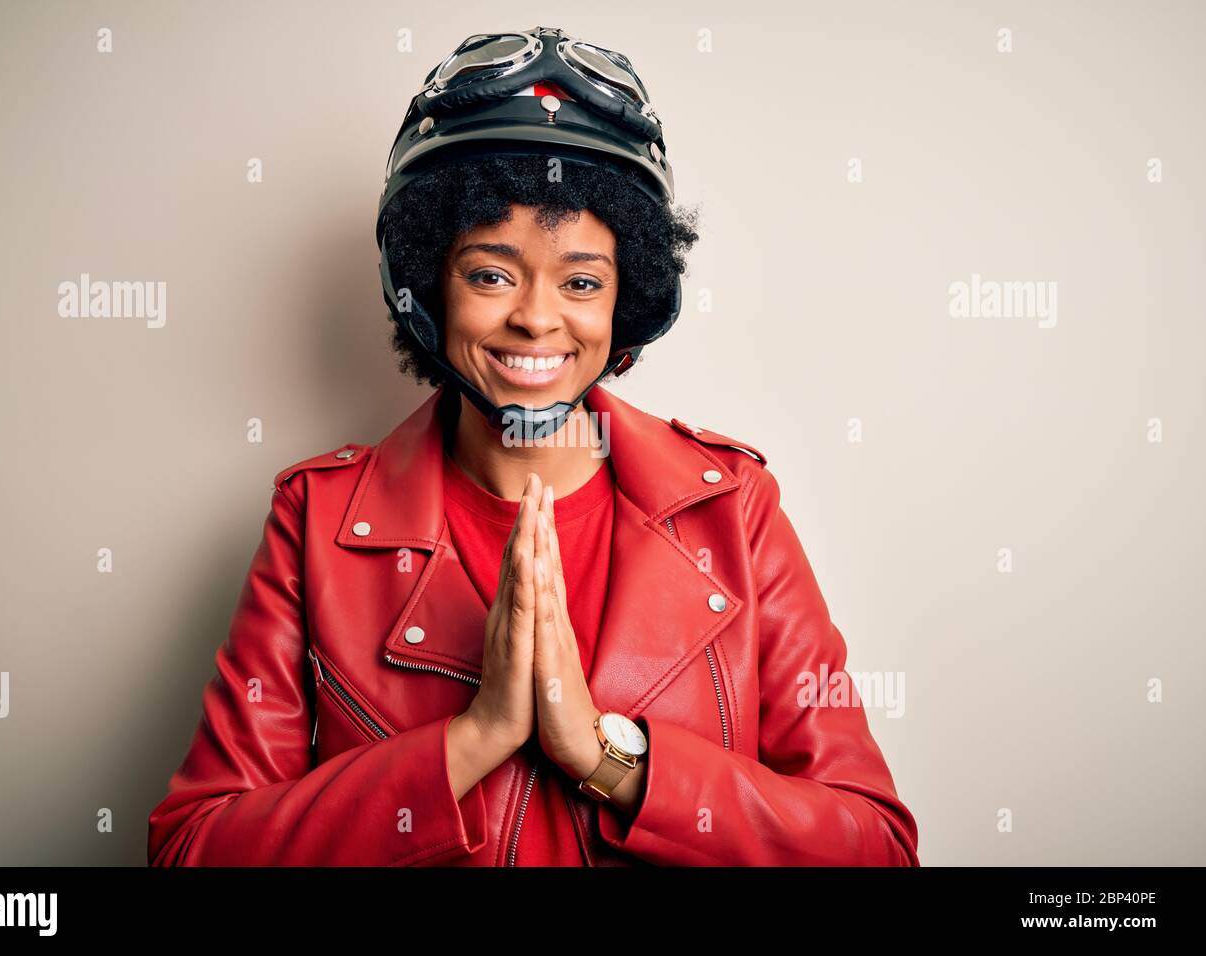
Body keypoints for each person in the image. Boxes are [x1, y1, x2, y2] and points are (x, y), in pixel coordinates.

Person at [147, 26, 920, 866]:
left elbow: (874, 846)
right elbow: (193, 848)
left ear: (628, 299)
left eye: (581, 281)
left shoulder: (733, 508)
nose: (538, 319)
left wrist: (607, 758)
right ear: (427, 286)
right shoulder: (315, 520)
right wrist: (473, 741)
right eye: (491, 274)